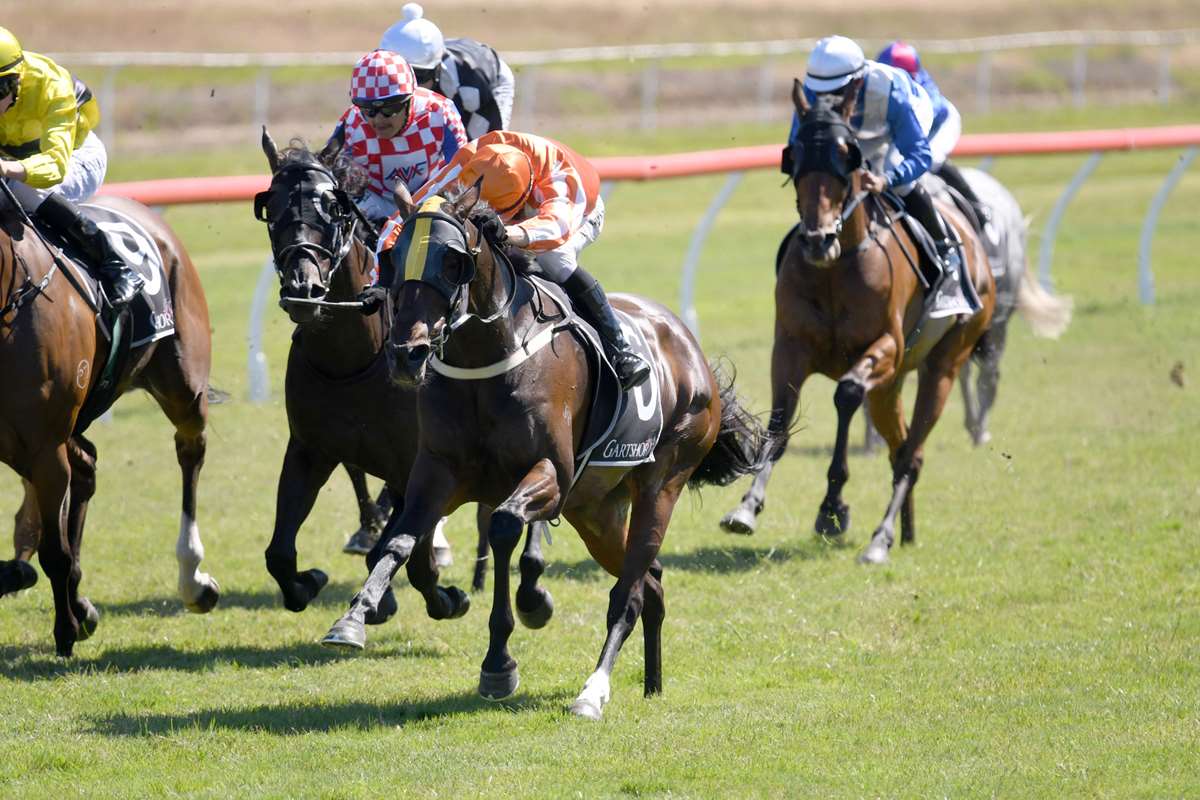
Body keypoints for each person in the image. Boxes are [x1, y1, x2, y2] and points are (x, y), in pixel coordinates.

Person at [375, 130, 651, 390]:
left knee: (555, 260)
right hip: (513, 198)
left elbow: (556, 229)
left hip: (577, 212)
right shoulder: (470, 159)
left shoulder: (560, 181)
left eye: (503, 211)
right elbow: (408, 214)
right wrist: (379, 277)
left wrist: (507, 232)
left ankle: (620, 349)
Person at [791, 35, 978, 314]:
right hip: (857, 131)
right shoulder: (813, 91)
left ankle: (946, 254)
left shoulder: (892, 93)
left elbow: (919, 155)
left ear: (857, 82)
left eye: (837, 92)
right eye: (820, 92)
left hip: (902, 122)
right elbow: (798, 147)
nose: (827, 99)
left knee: (897, 178)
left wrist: (887, 180)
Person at [0, 26, 143, 308]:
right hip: (13, 160)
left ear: (16, 82)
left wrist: (6, 169)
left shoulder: (52, 85)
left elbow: (54, 166)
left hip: (74, 157)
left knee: (21, 188)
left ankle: (115, 264)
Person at [331, 49, 469, 225]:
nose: (378, 120)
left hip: (430, 197)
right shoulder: (351, 124)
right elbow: (329, 179)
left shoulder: (441, 113)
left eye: (390, 108)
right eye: (368, 110)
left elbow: (461, 174)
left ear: (410, 100)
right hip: (376, 205)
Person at [876, 40, 995, 239]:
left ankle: (978, 209)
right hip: (909, 126)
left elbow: (916, 129)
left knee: (932, 160)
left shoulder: (925, 94)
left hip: (939, 124)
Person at [380, 3, 515, 139]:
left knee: (483, 145)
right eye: (399, 78)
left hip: (489, 83)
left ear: (436, 69)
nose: (412, 86)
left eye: (419, 76)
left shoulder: (468, 87)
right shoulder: (376, 74)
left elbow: (487, 136)